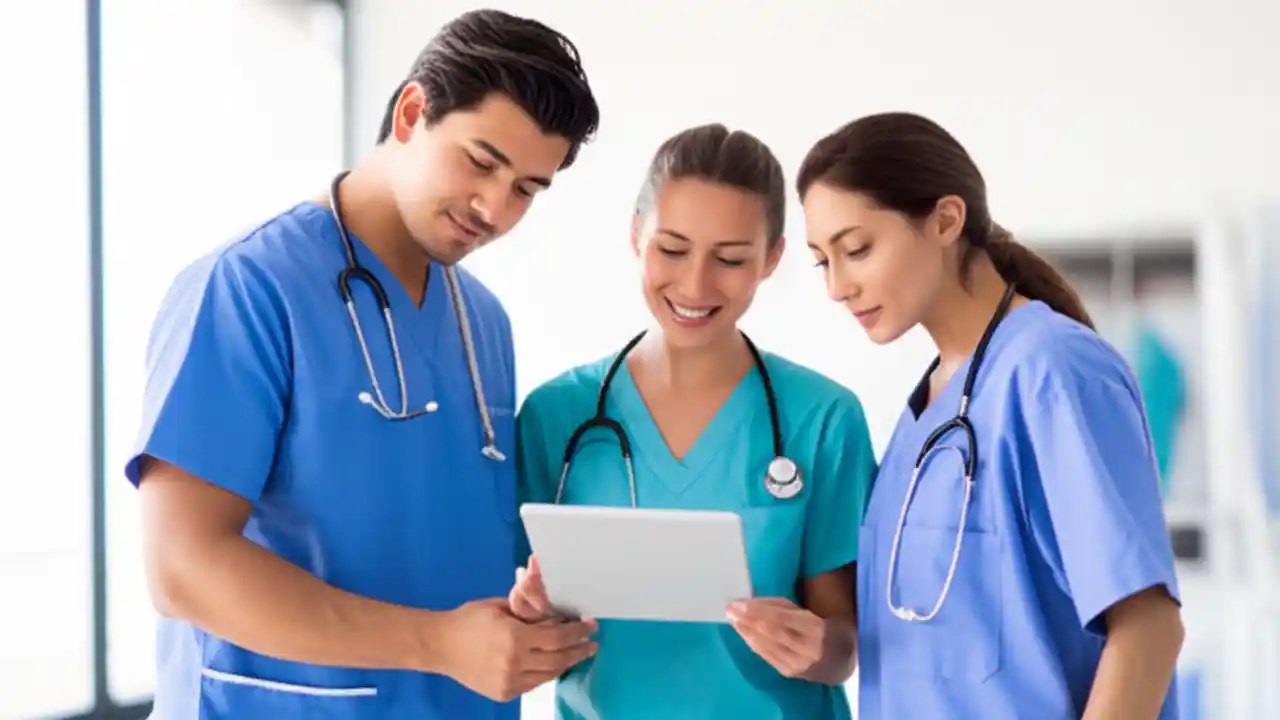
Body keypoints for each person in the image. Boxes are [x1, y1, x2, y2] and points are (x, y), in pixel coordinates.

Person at [125, 10, 602, 719]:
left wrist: (524, 618)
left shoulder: (484, 324)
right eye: (481, 161)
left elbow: (434, 536)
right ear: (413, 112)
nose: (495, 208)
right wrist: (439, 644)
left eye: (527, 189)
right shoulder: (247, 289)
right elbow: (183, 569)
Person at [796, 112, 1185, 719]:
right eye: (823, 261)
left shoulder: (1053, 371)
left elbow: (1149, 627)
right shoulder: (928, 410)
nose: (838, 287)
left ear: (946, 220)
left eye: (857, 249)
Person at [507, 124, 877, 719]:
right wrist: (531, 614)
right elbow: (519, 628)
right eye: (672, 249)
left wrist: (811, 648)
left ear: (772, 258)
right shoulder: (557, 417)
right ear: (635, 235)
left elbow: (844, 644)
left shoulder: (823, 419)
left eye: (730, 259)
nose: (696, 284)